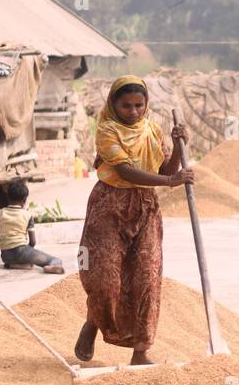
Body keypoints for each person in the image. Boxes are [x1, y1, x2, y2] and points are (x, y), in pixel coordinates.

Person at [74, 76, 194, 366]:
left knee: (147, 277)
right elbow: (126, 171)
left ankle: (140, 351)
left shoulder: (152, 130)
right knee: (105, 278)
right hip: (109, 206)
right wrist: (169, 181)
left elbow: (167, 166)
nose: (134, 111)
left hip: (145, 208)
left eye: (139, 105)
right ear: (114, 105)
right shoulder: (106, 131)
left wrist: (179, 146)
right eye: (126, 105)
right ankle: (93, 321)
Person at [0, 179, 64, 273]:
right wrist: (27, 251)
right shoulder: (27, 215)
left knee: (24, 260)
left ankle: (14, 264)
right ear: (24, 200)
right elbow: (33, 242)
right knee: (56, 261)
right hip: (22, 251)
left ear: (7, 197)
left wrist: (7, 242)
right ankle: (48, 267)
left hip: (5, 256)